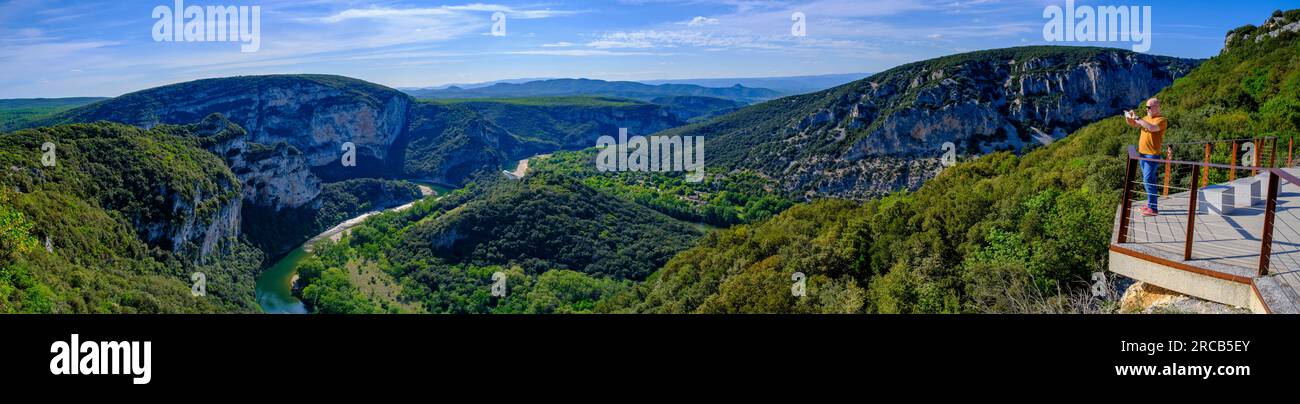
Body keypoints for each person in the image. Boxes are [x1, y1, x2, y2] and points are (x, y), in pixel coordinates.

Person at [1125, 98, 1168, 216]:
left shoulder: (1162, 120)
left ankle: (1153, 209)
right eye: (1146, 107)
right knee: (1149, 180)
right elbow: (1133, 124)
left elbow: (1152, 128)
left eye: (1149, 107)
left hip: (1152, 155)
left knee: (1148, 179)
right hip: (1143, 154)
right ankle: (1150, 204)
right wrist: (1129, 117)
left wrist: (1138, 118)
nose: (1147, 109)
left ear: (1156, 107)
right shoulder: (1146, 118)